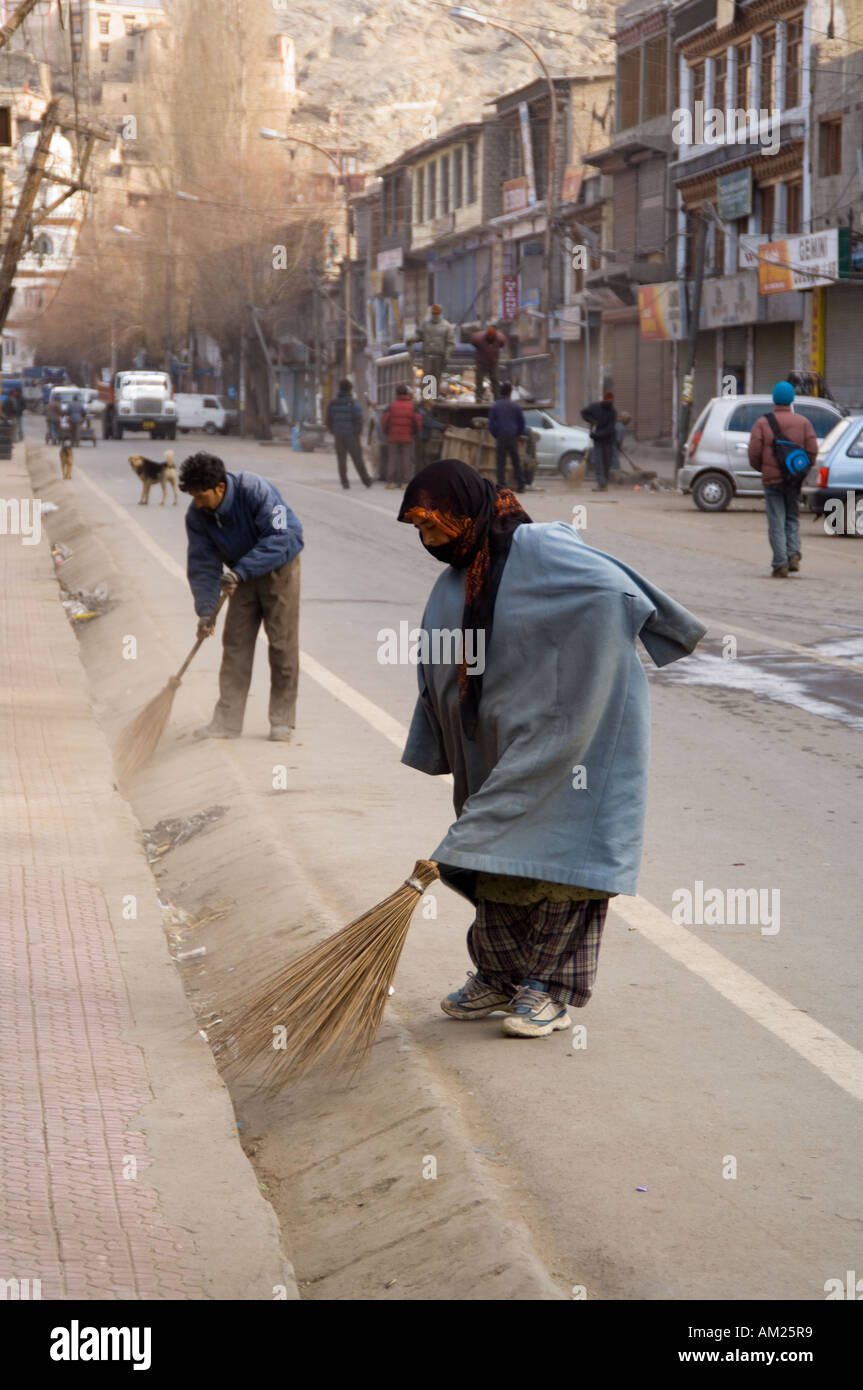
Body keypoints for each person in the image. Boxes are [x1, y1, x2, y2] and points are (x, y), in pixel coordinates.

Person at [398, 459, 705, 1039]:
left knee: (561, 864)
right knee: (496, 861)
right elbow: (433, 673)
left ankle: (546, 991)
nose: (427, 539)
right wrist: (437, 743)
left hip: (570, 742)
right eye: (417, 529)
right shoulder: (453, 582)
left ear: (462, 512)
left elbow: (613, 586)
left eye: (432, 524)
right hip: (496, 748)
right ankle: (498, 975)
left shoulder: (541, 548)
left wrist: (669, 630)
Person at [179, 452, 304, 741]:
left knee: (281, 643)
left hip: (279, 567)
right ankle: (227, 721)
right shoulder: (197, 515)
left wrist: (241, 571)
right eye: (193, 497)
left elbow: (280, 535)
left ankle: (282, 719)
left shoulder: (257, 490)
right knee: (235, 643)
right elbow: (202, 564)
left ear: (220, 488)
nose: (197, 503)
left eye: (201, 496)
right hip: (240, 574)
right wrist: (206, 611)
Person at [748, 380, 817, 577]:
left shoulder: (762, 423)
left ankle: (780, 563)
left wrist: (763, 469)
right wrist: (801, 471)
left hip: (772, 481)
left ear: (774, 399)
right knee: (792, 517)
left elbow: (753, 452)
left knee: (776, 520)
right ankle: (793, 552)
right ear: (791, 399)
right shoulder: (803, 422)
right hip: (794, 481)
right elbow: (812, 451)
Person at [325, 379, 372, 489]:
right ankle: (366, 481)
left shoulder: (333, 403)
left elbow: (328, 420)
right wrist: (357, 433)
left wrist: (334, 431)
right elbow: (359, 419)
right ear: (350, 389)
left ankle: (345, 482)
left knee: (341, 460)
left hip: (338, 435)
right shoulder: (353, 403)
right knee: (358, 459)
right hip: (352, 436)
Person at [487, 380, 527, 491]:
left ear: (501, 392)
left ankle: (502, 486)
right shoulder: (515, 406)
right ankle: (521, 485)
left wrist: (496, 434)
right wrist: (517, 434)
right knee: (516, 462)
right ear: (510, 392)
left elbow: (492, 424)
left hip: (501, 437)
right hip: (512, 436)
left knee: (500, 462)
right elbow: (522, 423)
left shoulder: (495, 406)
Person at [381, 384, 422, 489]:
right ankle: (405, 482)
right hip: (407, 437)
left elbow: (385, 420)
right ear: (407, 393)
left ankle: (391, 482)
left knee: (392, 459)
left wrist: (386, 432)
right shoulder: (412, 407)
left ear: (396, 394)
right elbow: (417, 421)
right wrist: (414, 432)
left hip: (393, 437)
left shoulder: (391, 406)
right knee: (406, 459)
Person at [410, 305, 455, 397]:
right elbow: (419, 335)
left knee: (436, 377)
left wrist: (447, 356)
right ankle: (427, 398)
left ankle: (434, 397)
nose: (435, 316)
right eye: (433, 314)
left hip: (439, 356)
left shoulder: (446, 326)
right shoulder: (425, 324)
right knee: (427, 377)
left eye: (436, 314)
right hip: (428, 355)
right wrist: (411, 339)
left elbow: (450, 343)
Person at [581, 391, 617, 491]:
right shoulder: (594, 407)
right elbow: (583, 413)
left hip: (608, 440)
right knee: (598, 462)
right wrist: (591, 420)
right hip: (598, 442)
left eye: (611, 402)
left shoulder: (612, 412)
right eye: (608, 401)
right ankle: (601, 484)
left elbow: (610, 428)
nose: (610, 403)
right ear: (604, 400)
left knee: (607, 463)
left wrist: (596, 435)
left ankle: (604, 483)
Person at [469, 324, 507, 401]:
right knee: (479, 379)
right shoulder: (478, 338)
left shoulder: (500, 339)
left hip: (493, 362)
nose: (490, 337)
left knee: (495, 379)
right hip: (481, 362)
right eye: (489, 336)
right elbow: (473, 343)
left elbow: (502, 345)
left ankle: (497, 397)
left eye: (492, 336)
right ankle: (478, 397)